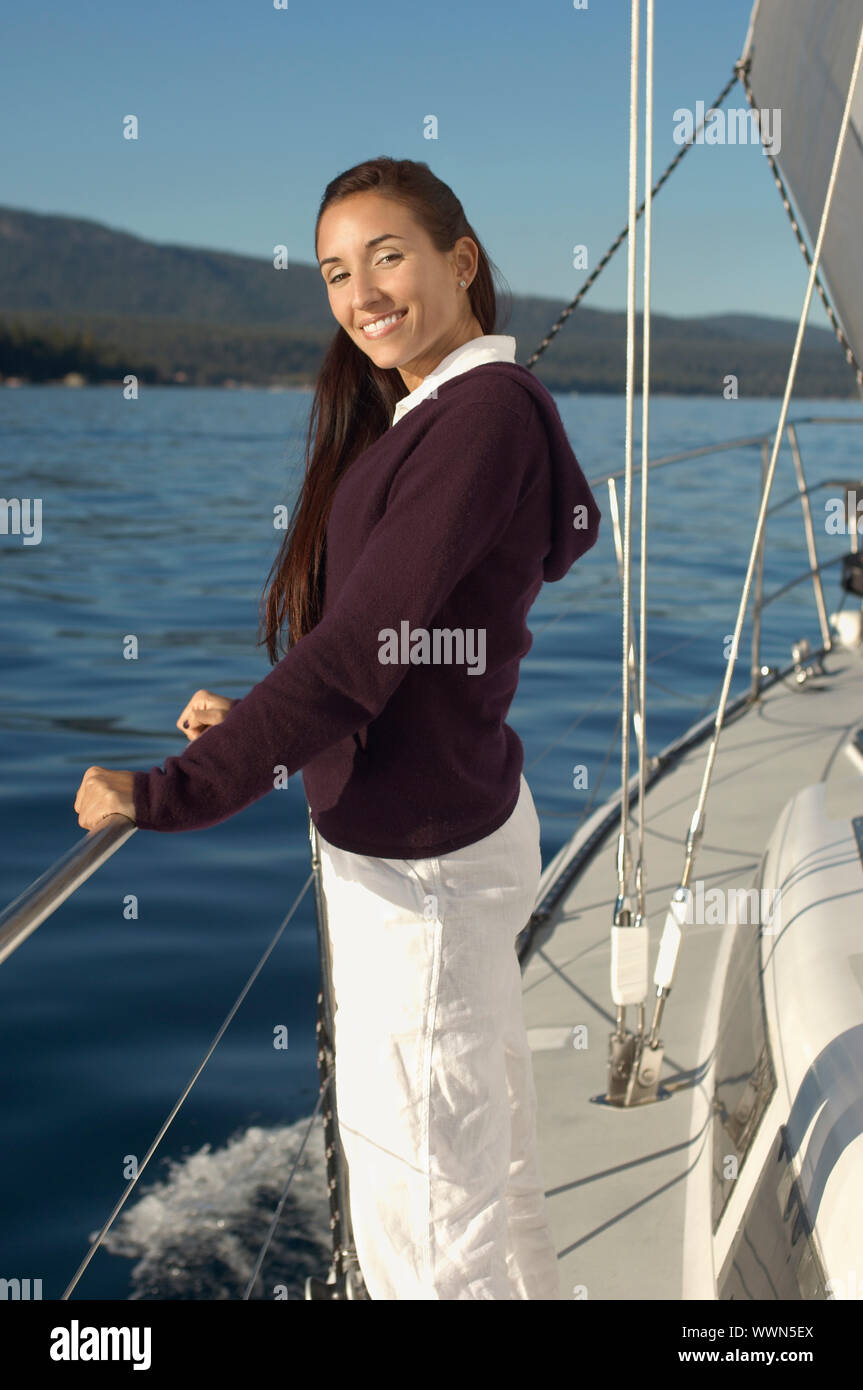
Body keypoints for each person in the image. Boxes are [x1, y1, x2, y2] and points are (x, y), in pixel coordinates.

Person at [73, 155, 601, 1300]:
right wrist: (278, 727)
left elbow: (362, 653)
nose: (359, 291)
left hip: (422, 878)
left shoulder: (477, 419)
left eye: (387, 255)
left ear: (460, 262)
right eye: (332, 271)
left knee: (427, 1232)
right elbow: (404, 647)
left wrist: (176, 787)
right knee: (486, 1185)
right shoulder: (446, 412)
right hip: (447, 833)